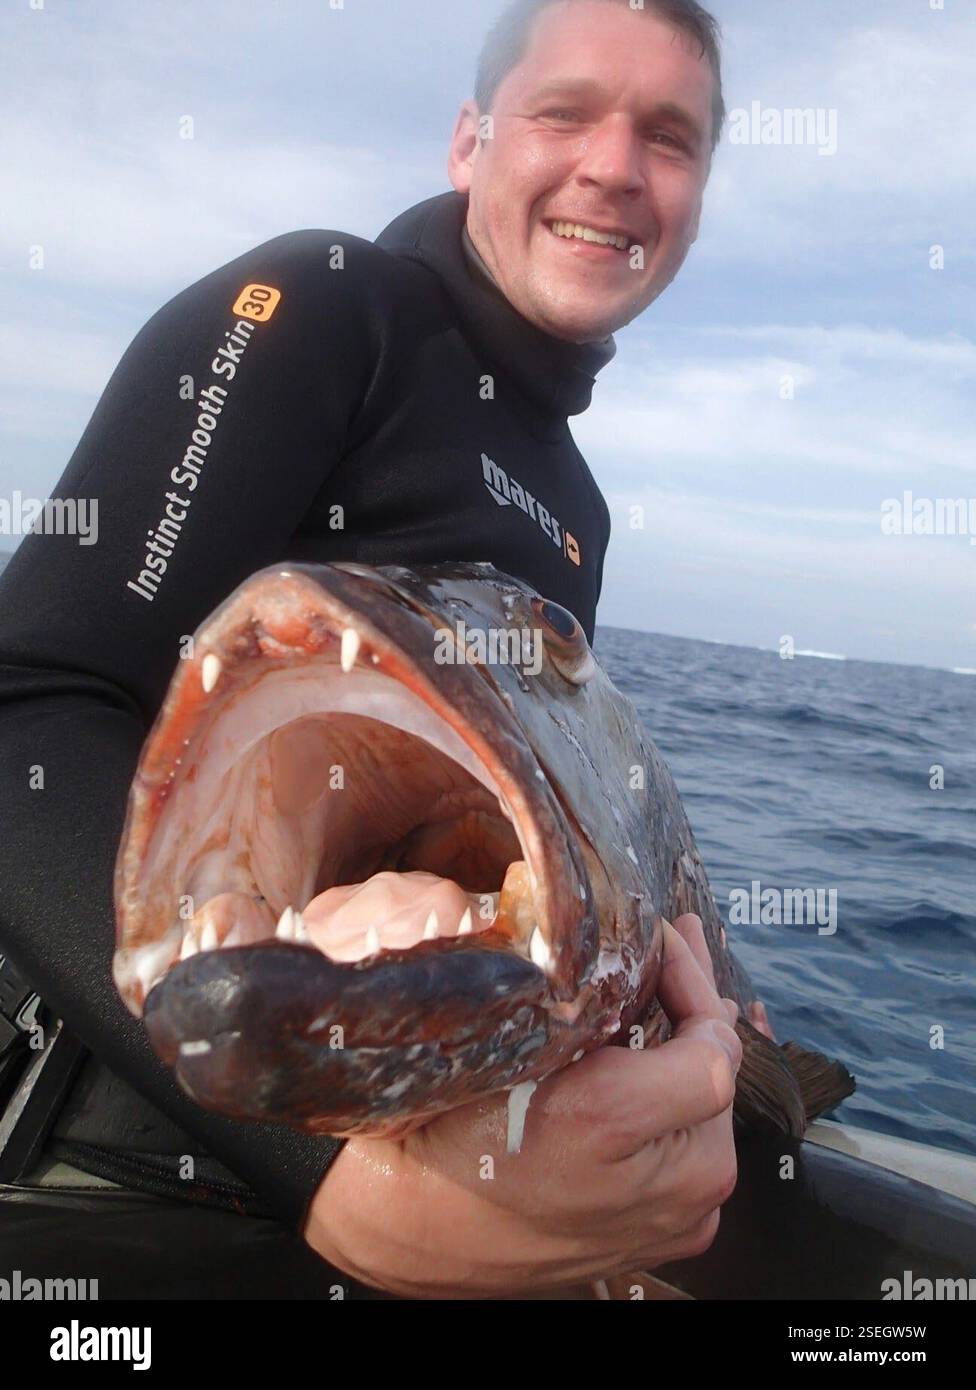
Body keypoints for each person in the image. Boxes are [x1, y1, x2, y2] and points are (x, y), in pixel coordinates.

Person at [0, 0, 770, 1297]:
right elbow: (24, 703)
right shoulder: (318, 305)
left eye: (670, 136)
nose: (615, 166)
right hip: (116, 1171)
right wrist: (345, 1191)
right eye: (565, 111)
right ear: (472, 140)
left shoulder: (578, 514)